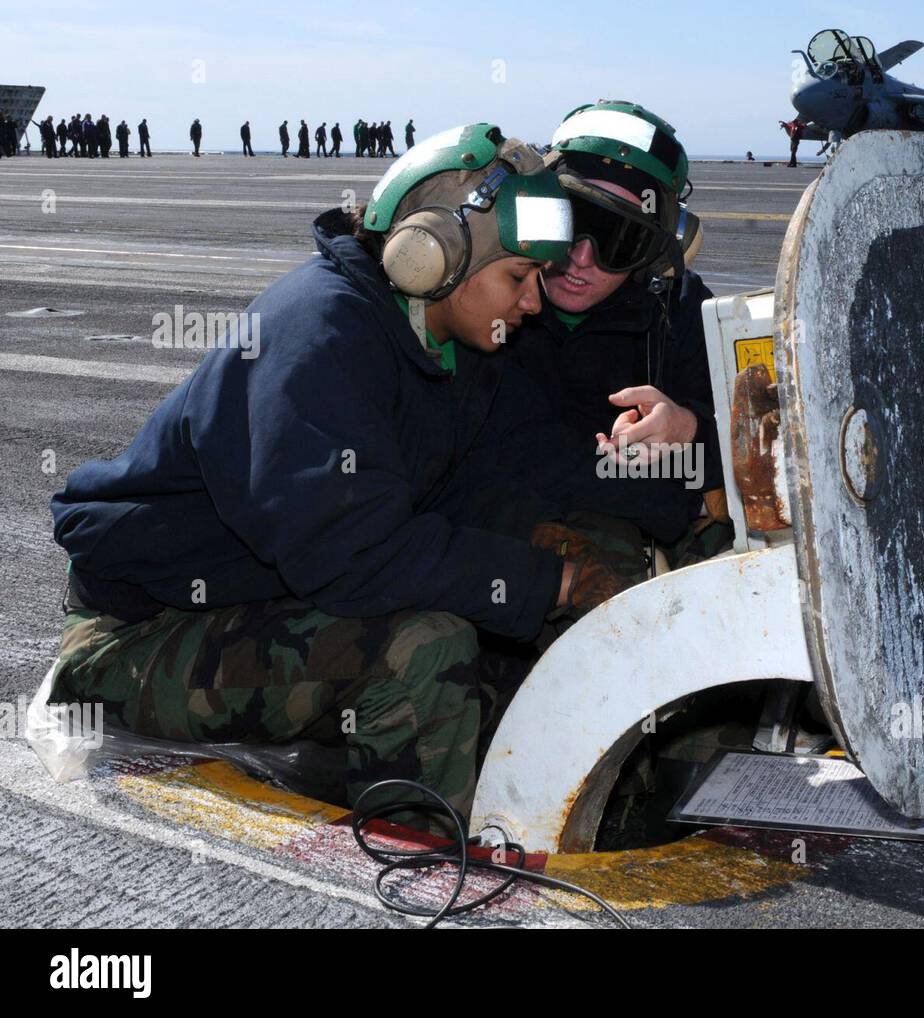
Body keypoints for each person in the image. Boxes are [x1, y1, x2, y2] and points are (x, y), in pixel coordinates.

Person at [47, 123, 626, 829]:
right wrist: (549, 582)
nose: (534, 303)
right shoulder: (320, 334)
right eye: (518, 277)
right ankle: (415, 876)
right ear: (430, 257)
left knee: (518, 626)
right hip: (137, 635)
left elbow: (461, 487)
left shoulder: (444, 343)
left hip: (251, 603)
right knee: (423, 654)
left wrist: (561, 545)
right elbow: (351, 554)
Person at [505, 101, 727, 564]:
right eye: (570, 227)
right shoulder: (483, 298)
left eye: (621, 241)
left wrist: (690, 432)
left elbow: (762, 454)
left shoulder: (678, 313)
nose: (582, 260)